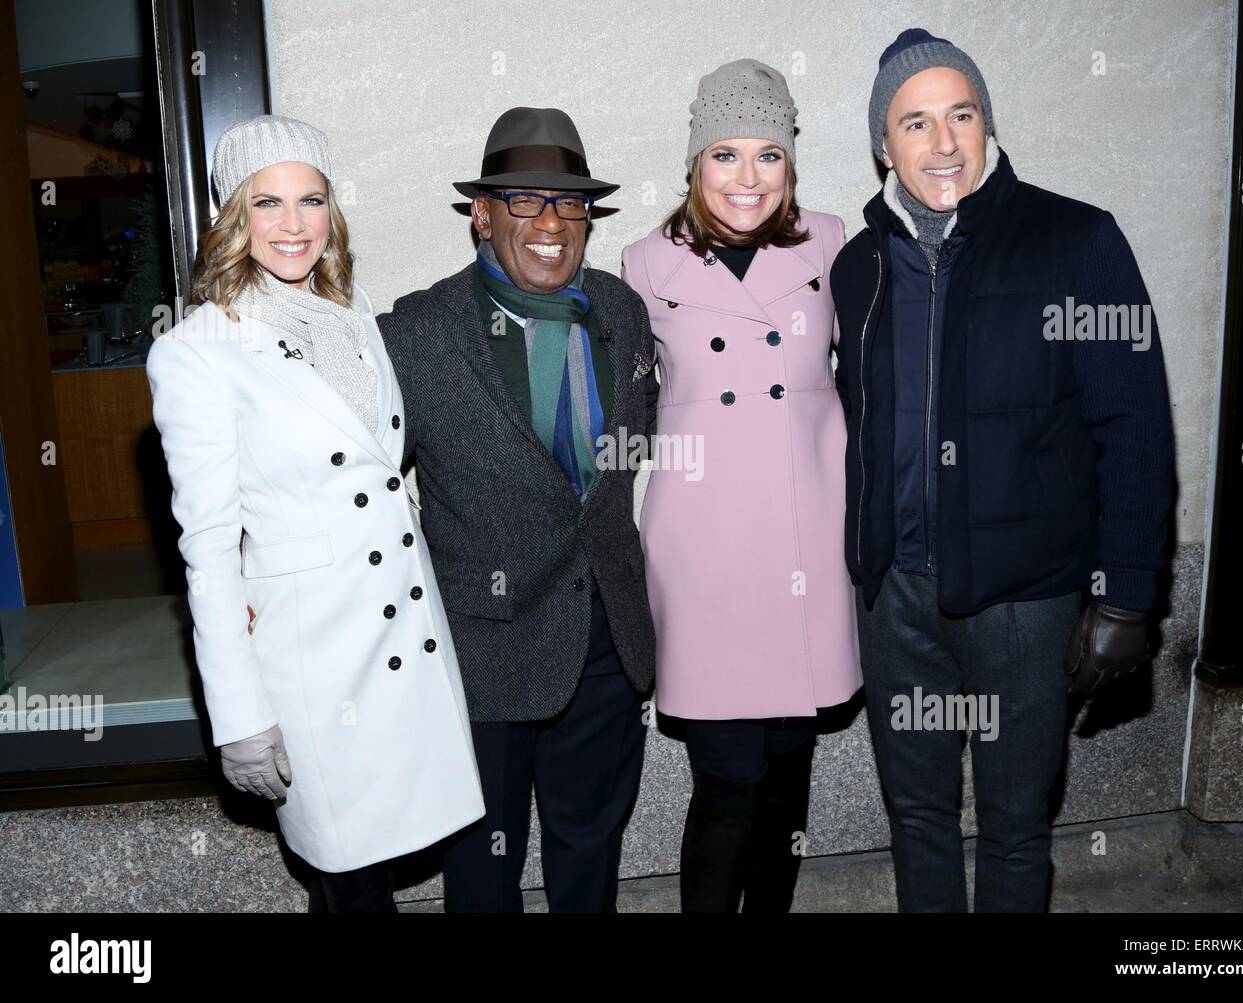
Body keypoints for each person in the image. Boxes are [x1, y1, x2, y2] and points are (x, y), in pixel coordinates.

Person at [830, 29, 1174, 911]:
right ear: (884, 144)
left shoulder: (1076, 239)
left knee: (1017, 826)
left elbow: (1134, 424)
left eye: (961, 114)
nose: (942, 143)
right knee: (917, 816)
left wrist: (1129, 594)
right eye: (915, 122)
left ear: (986, 124)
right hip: (897, 599)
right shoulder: (858, 265)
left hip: (1025, 603)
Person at [146, 114, 483, 913]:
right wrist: (238, 716)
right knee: (350, 879)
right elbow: (209, 551)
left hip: (402, 640)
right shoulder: (196, 353)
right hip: (315, 670)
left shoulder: (350, 310)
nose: (292, 225)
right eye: (267, 204)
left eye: (312, 200)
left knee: (362, 883)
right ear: (233, 217)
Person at [377, 107, 659, 912]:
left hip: (605, 646)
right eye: (524, 201)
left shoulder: (622, 312)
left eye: (568, 203)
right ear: (483, 214)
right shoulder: (418, 333)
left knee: (588, 861)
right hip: (480, 660)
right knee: (481, 879)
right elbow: (354, 485)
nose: (549, 222)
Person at [621, 59, 862, 913]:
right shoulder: (643, 262)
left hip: (807, 540)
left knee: (787, 778)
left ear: (791, 164)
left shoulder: (834, 243)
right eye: (726, 154)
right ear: (695, 162)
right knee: (727, 781)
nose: (747, 177)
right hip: (706, 550)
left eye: (769, 155)